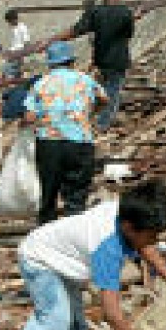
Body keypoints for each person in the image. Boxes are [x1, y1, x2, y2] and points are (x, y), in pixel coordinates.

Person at [18, 180, 166, 330]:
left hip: (64, 262)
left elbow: (146, 245)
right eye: (151, 235)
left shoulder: (128, 214)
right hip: (39, 259)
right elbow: (112, 313)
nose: (154, 240)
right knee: (56, 319)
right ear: (128, 228)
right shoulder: (107, 249)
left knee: (75, 328)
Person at [22, 42, 106, 224]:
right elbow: (103, 99)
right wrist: (89, 113)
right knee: (76, 196)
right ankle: (72, 234)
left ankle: (46, 232)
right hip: (80, 142)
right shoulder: (86, 80)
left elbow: (29, 117)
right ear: (71, 61)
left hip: (49, 144)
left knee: (49, 194)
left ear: (51, 63)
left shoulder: (40, 84)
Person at [43, 0, 134, 132]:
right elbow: (128, 33)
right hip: (118, 61)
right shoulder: (125, 13)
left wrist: (51, 40)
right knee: (112, 92)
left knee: (100, 90)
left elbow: (76, 31)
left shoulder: (95, 12)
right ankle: (102, 125)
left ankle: (88, 116)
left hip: (100, 60)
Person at [4, 9, 30, 80]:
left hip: (19, 54)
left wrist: (22, 55)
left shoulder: (22, 27)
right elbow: (13, 43)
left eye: (9, 21)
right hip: (12, 54)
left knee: (14, 74)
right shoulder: (12, 28)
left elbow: (26, 42)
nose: (9, 23)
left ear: (14, 19)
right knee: (13, 75)